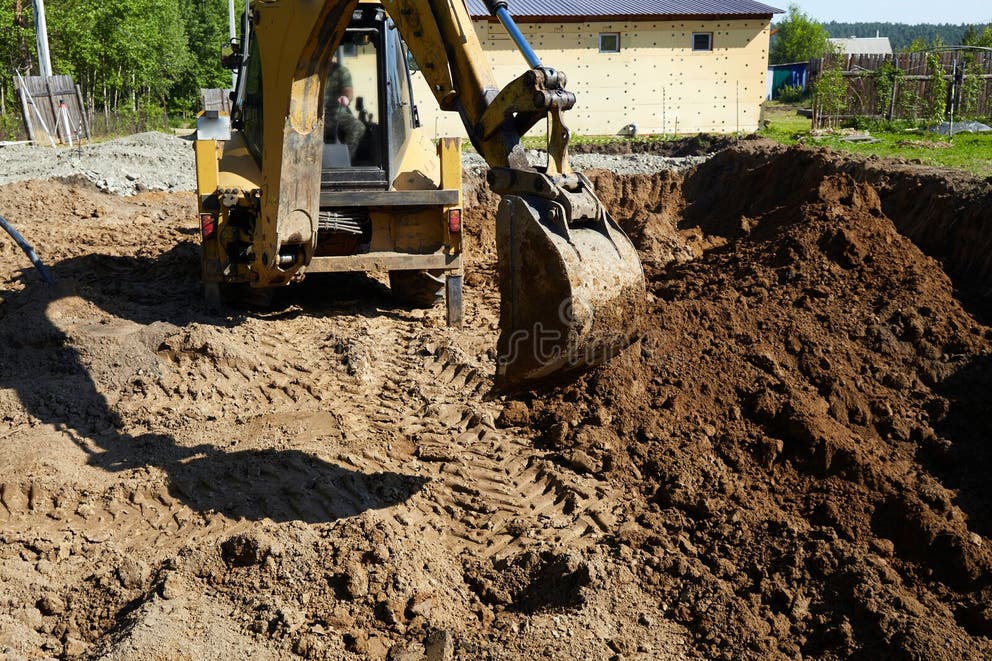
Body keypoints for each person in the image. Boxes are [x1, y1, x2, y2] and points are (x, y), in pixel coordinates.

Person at [324, 61, 366, 160]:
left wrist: (346, 98)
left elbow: (348, 90)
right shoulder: (311, 70)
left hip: (337, 113)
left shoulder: (341, 71)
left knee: (358, 127)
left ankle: (346, 159)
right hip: (314, 114)